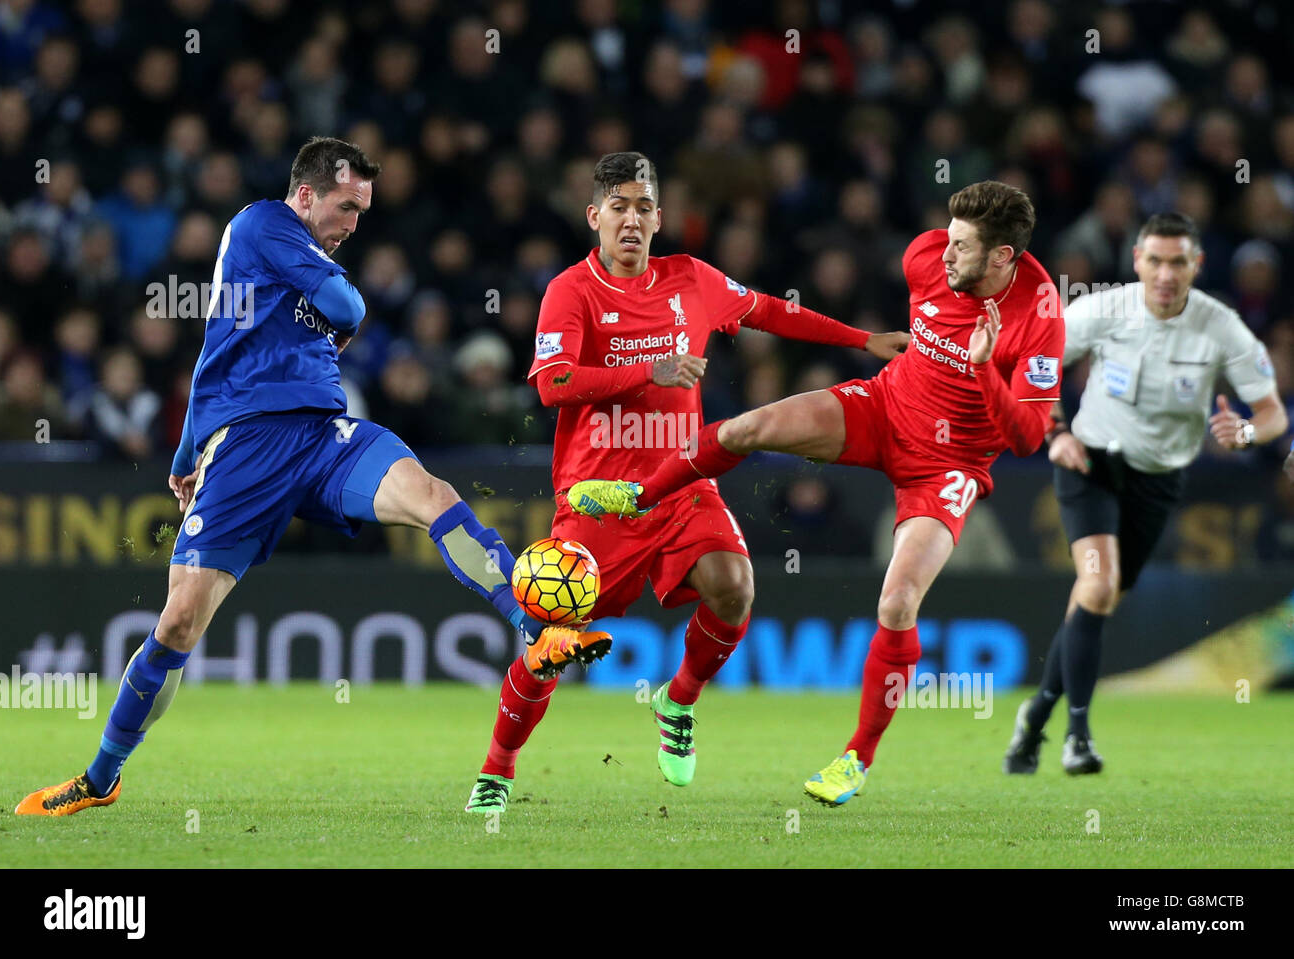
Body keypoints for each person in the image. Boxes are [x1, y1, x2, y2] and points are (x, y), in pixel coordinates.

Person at [16, 136, 608, 817]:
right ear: (305, 195)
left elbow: (217, 348)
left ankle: (536, 627)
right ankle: (100, 777)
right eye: (347, 205)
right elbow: (348, 309)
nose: (355, 223)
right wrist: (193, 456)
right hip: (246, 450)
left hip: (324, 434)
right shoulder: (263, 223)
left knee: (433, 495)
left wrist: (181, 456)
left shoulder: (288, 267)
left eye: (364, 211)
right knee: (178, 622)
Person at [572, 180, 1065, 806]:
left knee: (898, 603)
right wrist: (867, 342)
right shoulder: (924, 257)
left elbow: (1025, 439)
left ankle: (855, 760)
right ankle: (638, 497)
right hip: (885, 407)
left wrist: (985, 372)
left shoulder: (1040, 317)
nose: (944, 252)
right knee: (749, 426)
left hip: (947, 465)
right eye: (948, 235)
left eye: (963, 246)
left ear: (1002, 259)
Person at [462, 151, 909, 814]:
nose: (632, 219)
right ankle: (497, 769)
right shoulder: (570, 291)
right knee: (551, 640)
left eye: (644, 207)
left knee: (734, 586)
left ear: (661, 217)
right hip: (596, 495)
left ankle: (679, 700)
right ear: (594, 217)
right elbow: (553, 385)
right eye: (619, 207)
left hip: (680, 483)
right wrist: (650, 372)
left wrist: (861, 338)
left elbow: (768, 312)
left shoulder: (691, 280)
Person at [1004, 212, 1287, 775]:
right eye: (1154, 260)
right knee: (1100, 582)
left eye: (1177, 261)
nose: (1165, 273)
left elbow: (1272, 413)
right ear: (1137, 261)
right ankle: (1077, 737)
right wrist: (1055, 433)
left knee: (1097, 597)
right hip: (1090, 462)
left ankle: (1035, 715)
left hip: (1158, 480)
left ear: (1196, 265)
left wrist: (1247, 433)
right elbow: (1033, 371)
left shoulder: (1221, 326)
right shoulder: (1100, 311)